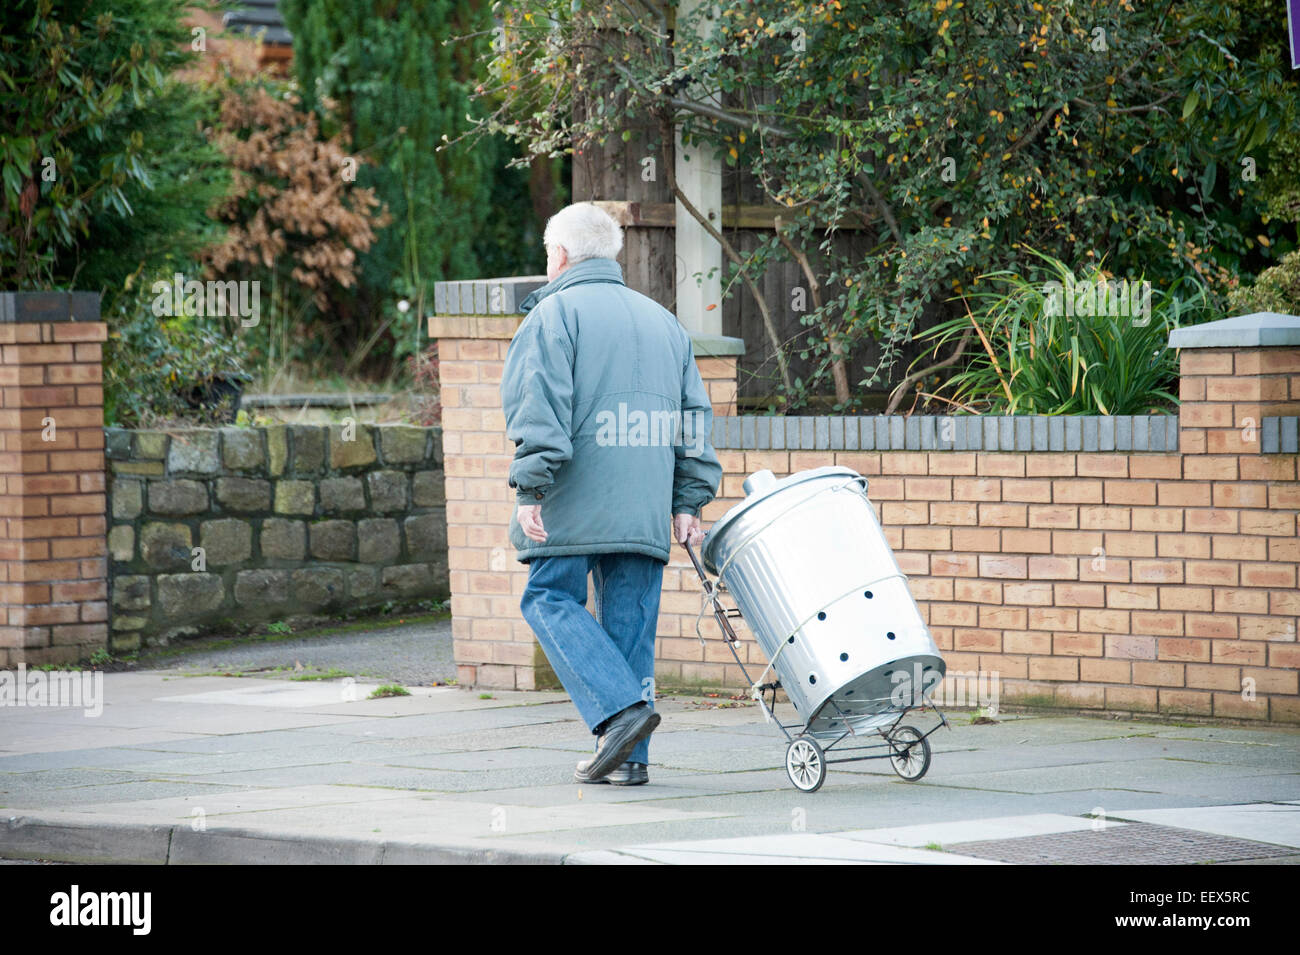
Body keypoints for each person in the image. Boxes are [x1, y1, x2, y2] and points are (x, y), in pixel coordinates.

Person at [501, 202, 722, 785]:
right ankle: (631, 762)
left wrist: (530, 488)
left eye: (549, 252)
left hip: (572, 498)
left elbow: (539, 408)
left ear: (562, 255)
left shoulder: (553, 317)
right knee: (630, 623)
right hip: (645, 506)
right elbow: (693, 419)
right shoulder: (664, 323)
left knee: (549, 599)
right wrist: (686, 501)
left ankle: (621, 714)